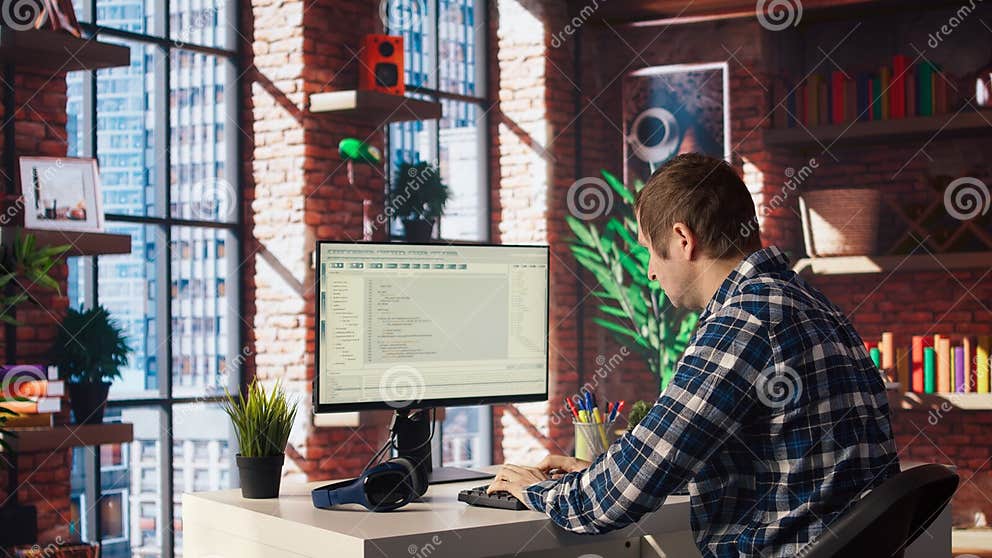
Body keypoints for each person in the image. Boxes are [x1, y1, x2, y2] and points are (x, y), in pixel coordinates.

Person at [487, 153, 900, 557]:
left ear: (684, 240)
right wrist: (597, 474)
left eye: (649, 249)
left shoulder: (746, 319)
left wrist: (534, 489)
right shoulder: (808, 301)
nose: (650, 270)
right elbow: (775, 462)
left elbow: (610, 504)